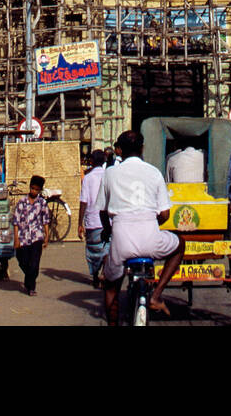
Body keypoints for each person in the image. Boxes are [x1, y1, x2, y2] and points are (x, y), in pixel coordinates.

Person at [97, 130, 185, 324]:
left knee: (111, 287)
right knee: (179, 245)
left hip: (121, 239)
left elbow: (102, 212)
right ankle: (156, 295)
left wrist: (108, 230)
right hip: (151, 238)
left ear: (119, 151)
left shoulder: (110, 173)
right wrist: (152, 223)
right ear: (142, 148)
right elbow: (164, 214)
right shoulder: (154, 172)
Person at [12, 175, 49, 295]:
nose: (33, 191)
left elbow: (45, 220)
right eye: (32, 188)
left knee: (34, 263)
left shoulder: (42, 203)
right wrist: (16, 238)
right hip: (23, 237)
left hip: (37, 236)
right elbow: (16, 221)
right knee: (23, 260)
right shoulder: (22, 202)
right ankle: (29, 279)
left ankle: (31, 287)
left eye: (36, 189)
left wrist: (47, 236)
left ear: (40, 190)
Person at [78, 149, 109, 287]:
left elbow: (83, 201)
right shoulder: (109, 176)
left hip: (92, 220)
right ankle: (104, 273)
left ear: (91, 161)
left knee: (93, 250)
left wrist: (80, 223)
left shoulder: (88, 178)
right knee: (106, 249)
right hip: (108, 220)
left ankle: (96, 275)